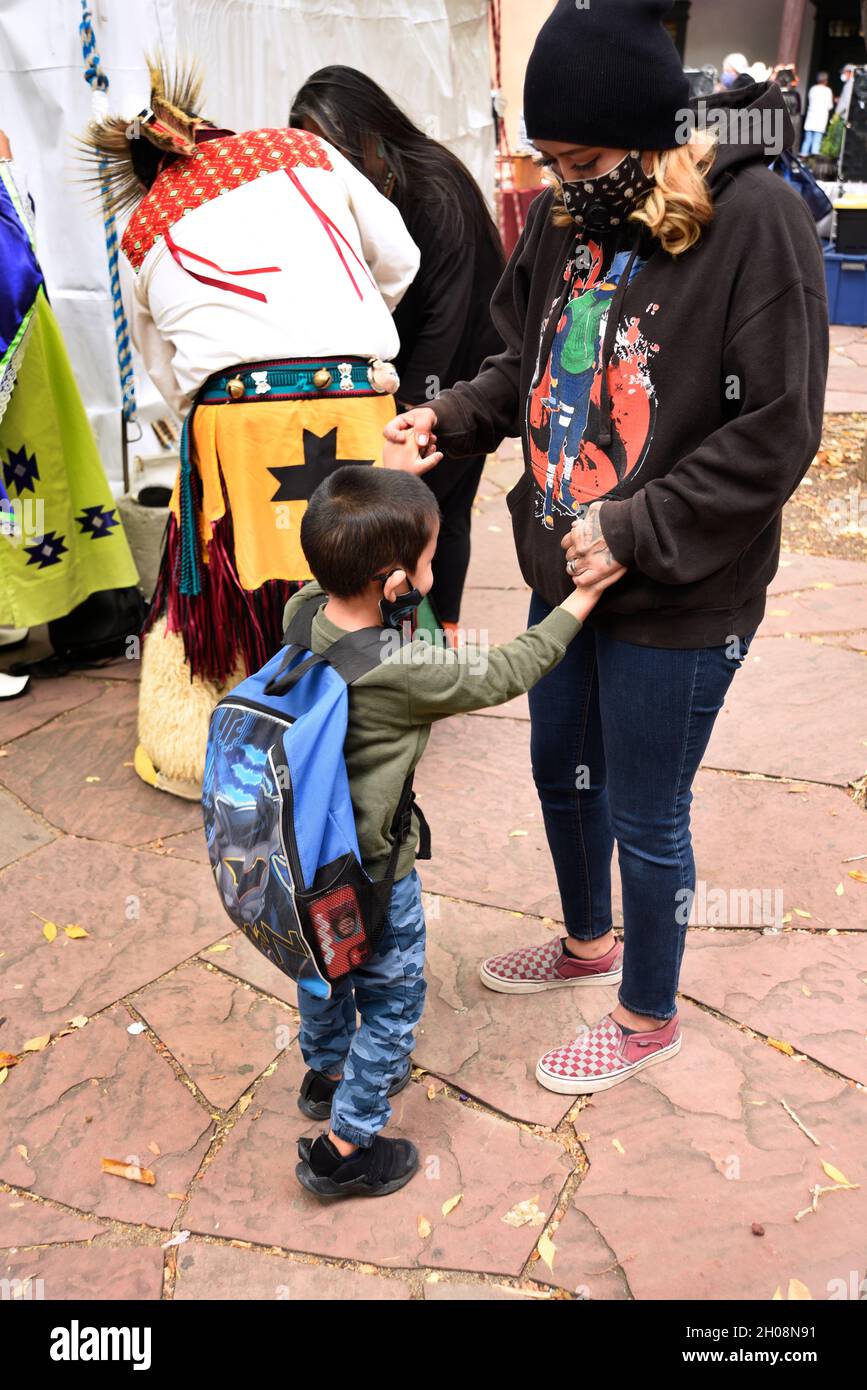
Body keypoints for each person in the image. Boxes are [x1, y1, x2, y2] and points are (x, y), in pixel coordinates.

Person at [386, 0, 828, 1096]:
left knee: (645, 806)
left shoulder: (756, 218)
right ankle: (590, 940)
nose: (562, 182)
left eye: (581, 160)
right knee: (558, 770)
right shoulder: (563, 217)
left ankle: (645, 1012)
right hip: (562, 573)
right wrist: (455, 415)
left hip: (678, 585)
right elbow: (517, 357)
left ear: (652, 133)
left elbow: (777, 426)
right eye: (550, 161)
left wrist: (632, 524)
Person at [81, 59, 420, 797]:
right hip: (355, 396)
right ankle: (373, 721)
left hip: (237, 420)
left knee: (244, 579)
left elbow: (169, 381)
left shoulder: (141, 233)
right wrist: (352, 341)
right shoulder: (301, 152)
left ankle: (247, 738)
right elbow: (398, 257)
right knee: (364, 558)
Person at [288, 458, 622, 1198]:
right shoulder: (404, 668)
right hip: (373, 871)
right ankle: (346, 1145)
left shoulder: (300, 613)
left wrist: (384, 510)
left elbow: (333, 578)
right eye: (429, 560)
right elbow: (505, 669)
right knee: (392, 1000)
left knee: (322, 968)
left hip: (303, 862)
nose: (435, 569)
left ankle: (325, 1070)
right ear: (395, 581)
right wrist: (580, 599)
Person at [289, 68, 505, 642]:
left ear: (366, 129)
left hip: (461, 375)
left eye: (333, 142)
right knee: (415, 508)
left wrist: (413, 406)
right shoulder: (358, 187)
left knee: (435, 508)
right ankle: (409, 639)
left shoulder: (433, 184)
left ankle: (440, 637)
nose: (327, 157)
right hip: (413, 373)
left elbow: (449, 314)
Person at [0, 128, 138, 675]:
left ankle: (30, 610)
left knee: (32, 479)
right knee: (33, 477)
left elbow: (15, 260)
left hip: (17, 333)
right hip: (20, 332)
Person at [801, 71, 834, 155]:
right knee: (817, 142)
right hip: (820, 120)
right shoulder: (828, 91)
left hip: (811, 119)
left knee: (807, 141)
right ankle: (812, 164)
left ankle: (801, 162)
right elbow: (830, 106)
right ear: (826, 80)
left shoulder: (813, 89)